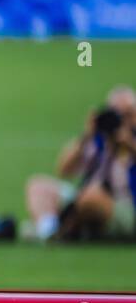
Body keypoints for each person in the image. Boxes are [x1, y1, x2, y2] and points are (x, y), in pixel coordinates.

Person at [23, 85, 136, 241]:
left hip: (126, 206)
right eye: (117, 114)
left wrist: (130, 145)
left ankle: (66, 231)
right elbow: (63, 169)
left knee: (91, 198)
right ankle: (49, 232)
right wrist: (86, 136)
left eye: (128, 114)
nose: (123, 120)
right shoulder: (97, 141)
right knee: (38, 187)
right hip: (85, 200)